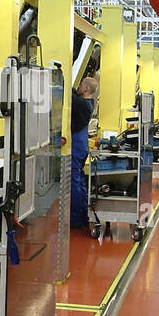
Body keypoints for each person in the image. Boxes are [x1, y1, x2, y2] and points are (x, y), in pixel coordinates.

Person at [70, 77, 98, 227]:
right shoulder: (88, 103)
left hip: (76, 148)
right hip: (81, 148)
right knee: (79, 182)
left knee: (74, 183)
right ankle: (81, 214)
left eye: (81, 85)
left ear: (86, 89)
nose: (79, 86)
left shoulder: (83, 104)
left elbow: (69, 95)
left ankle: (75, 218)